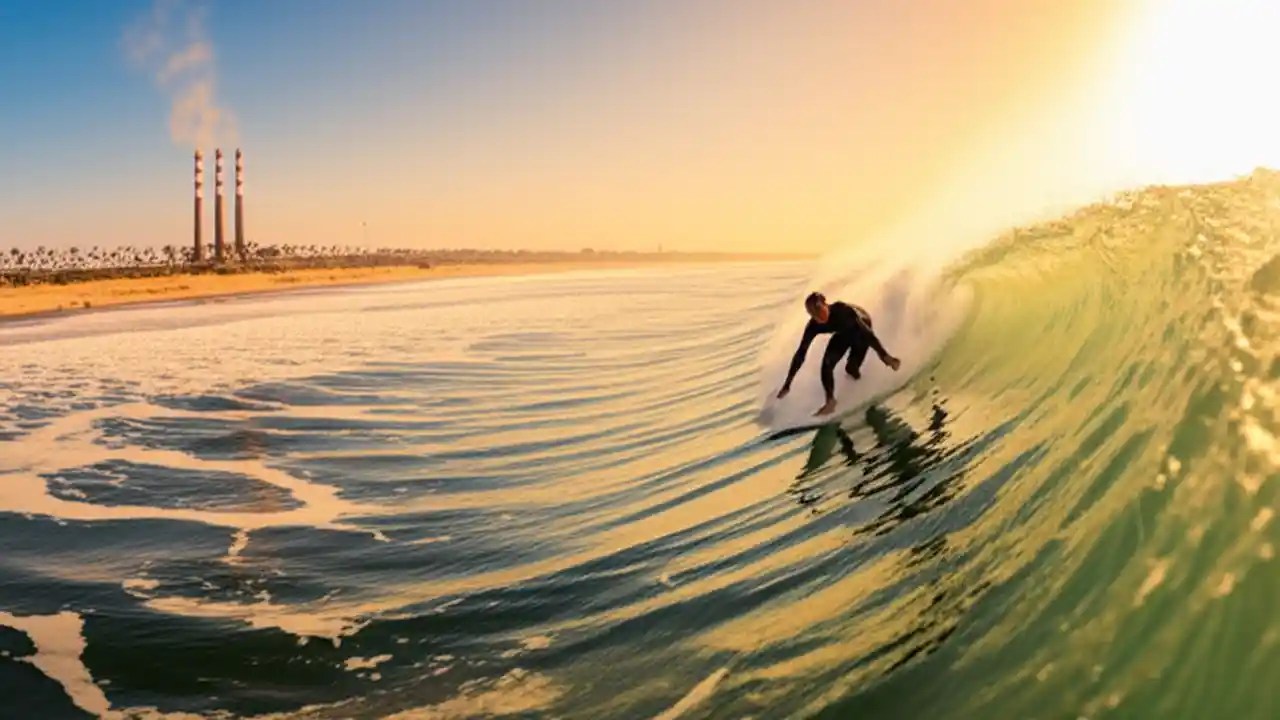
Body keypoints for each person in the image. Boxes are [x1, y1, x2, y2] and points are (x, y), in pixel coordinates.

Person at [776, 291, 901, 416]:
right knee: (827, 364)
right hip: (842, 333)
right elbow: (801, 354)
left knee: (851, 369)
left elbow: (867, 334)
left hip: (861, 327)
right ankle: (830, 401)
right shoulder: (813, 326)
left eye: (819, 311)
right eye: (813, 314)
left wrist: (885, 357)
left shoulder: (842, 311)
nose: (818, 317)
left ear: (825, 304)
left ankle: (866, 389)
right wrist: (787, 384)